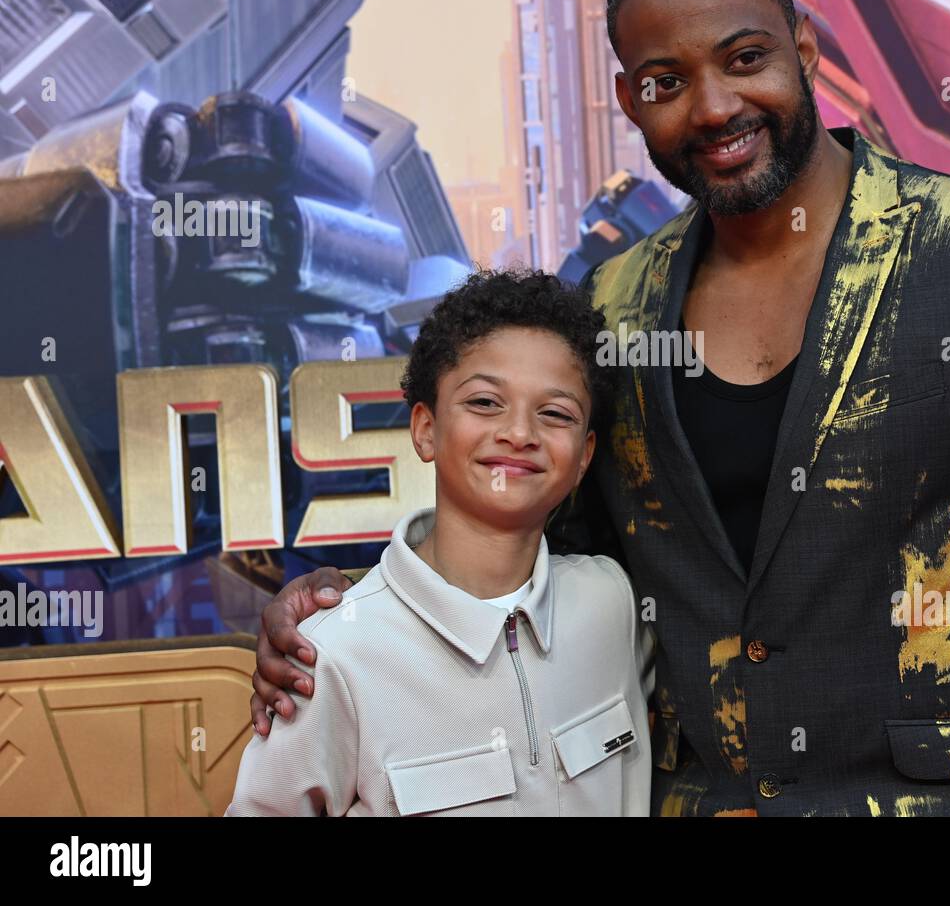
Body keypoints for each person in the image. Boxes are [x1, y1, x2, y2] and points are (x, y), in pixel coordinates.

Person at [249, 0, 950, 817]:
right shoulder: (613, 305)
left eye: (744, 57)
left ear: (803, 48)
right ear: (629, 99)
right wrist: (345, 615)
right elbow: (542, 550)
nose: (715, 106)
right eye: (666, 82)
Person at [227, 269, 652, 816]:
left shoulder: (611, 600)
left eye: (555, 413)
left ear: (584, 456)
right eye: (483, 403)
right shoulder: (333, 655)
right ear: (426, 429)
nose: (520, 433)